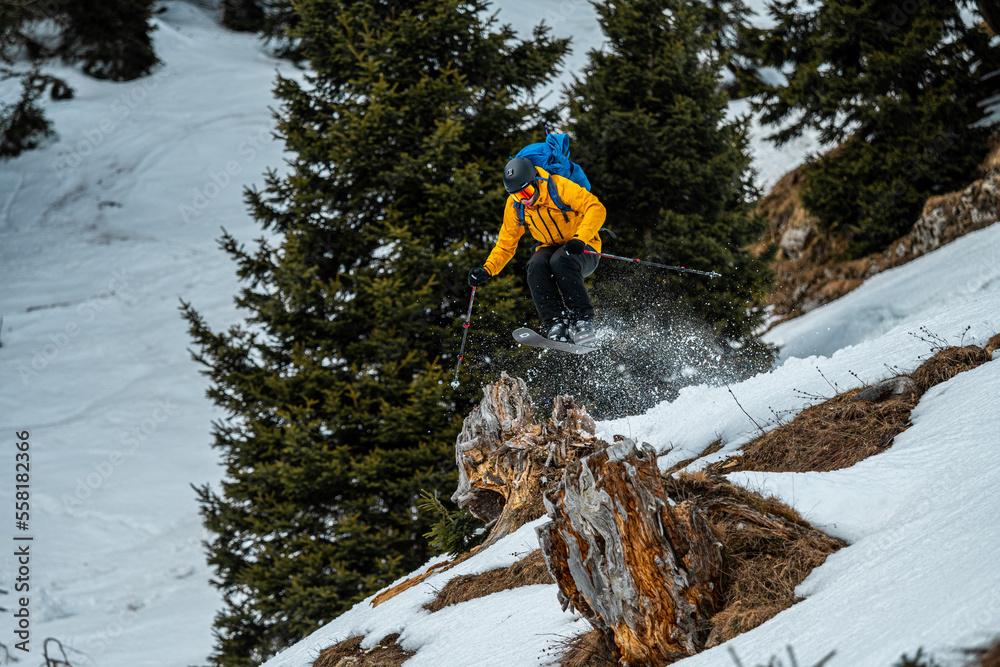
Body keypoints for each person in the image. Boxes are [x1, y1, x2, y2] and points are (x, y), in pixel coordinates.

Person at [467, 157, 607, 345]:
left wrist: (580, 238)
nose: (525, 199)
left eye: (527, 191)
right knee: (535, 264)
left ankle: (583, 321)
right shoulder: (516, 206)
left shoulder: (558, 187)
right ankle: (557, 323)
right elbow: (506, 243)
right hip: (550, 246)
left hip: (583, 247)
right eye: (517, 196)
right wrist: (487, 269)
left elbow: (596, 207)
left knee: (560, 261)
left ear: (536, 181)